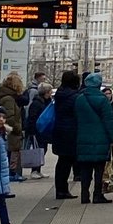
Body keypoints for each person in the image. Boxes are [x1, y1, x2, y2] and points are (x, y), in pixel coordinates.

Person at [74, 70, 113, 203]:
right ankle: (97, 195)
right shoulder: (103, 100)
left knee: (85, 170)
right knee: (99, 170)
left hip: (83, 139)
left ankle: (84, 196)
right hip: (101, 139)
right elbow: (109, 122)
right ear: (99, 85)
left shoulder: (79, 99)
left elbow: (75, 119)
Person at [49, 69, 80, 198]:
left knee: (62, 161)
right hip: (70, 132)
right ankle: (62, 190)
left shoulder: (60, 94)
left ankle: (60, 189)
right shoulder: (74, 96)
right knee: (66, 162)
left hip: (60, 130)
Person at [0, 73, 27, 180]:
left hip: (8, 133)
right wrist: (18, 128)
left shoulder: (3, 96)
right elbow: (9, 118)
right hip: (12, 134)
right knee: (11, 158)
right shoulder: (9, 99)